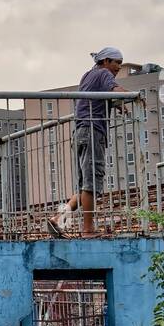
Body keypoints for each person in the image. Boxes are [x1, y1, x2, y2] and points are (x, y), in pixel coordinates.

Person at [49, 46, 128, 236]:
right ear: (106, 61)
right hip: (93, 130)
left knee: (85, 184)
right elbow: (116, 90)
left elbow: (101, 95)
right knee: (92, 182)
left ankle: (58, 219)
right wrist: (134, 97)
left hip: (80, 131)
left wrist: (116, 104)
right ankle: (88, 229)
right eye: (117, 62)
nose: (118, 67)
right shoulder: (104, 73)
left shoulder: (88, 75)